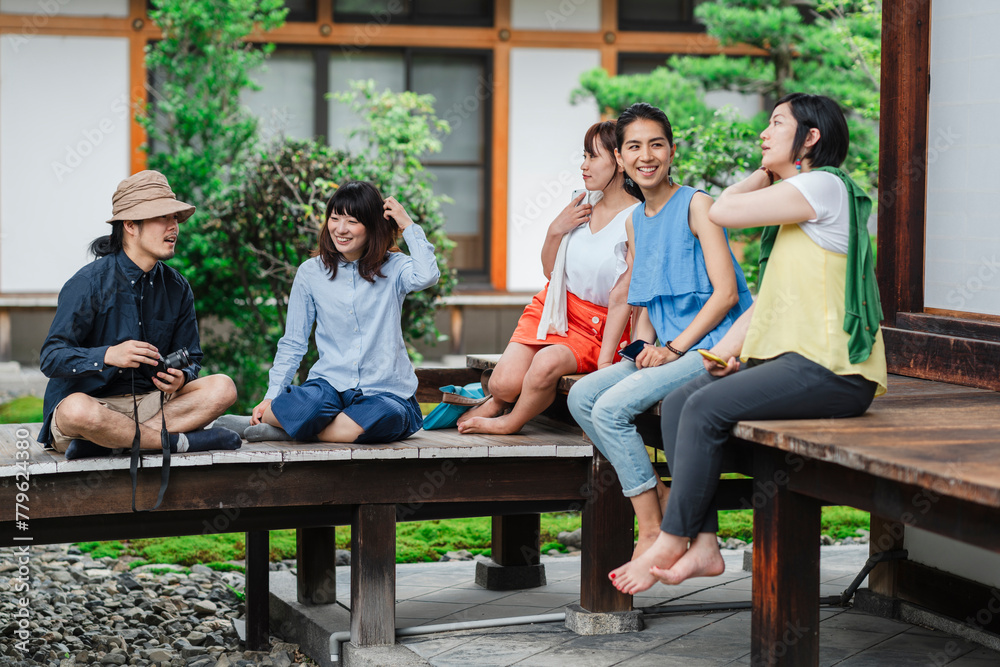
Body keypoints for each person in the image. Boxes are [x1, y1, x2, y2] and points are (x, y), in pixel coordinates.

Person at [610, 93, 887, 595]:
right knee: (681, 403)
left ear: (811, 137)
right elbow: (767, 303)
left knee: (703, 410)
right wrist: (722, 353)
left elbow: (722, 210)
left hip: (835, 370)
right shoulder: (797, 207)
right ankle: (705, 545)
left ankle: (670, 539)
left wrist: (763, 174)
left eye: (777, 123)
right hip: (796, 364)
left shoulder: (822, 185)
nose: (764, 133)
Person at [567, 103, 753, 560]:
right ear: (621, 157)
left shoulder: (698, 204)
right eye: (634, 146)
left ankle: (651, 529)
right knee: (581, 396)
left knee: (610, 410)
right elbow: (646, 299)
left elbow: (726, 294)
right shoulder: (635, 220)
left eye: (656, 144)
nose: (646, 156)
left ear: (671, 151)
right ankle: (662, 497)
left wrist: (671, 349)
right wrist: (642, 350)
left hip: (714, 346)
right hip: (669, 347)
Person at [217, 181, 440, 444]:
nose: (340, 229)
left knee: (386, 415)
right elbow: (293, 343)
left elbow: (427, 275)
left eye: (352, 221)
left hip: (385, 392)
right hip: (330, 386)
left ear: (373, 226)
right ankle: (288, 420)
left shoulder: (395, 267)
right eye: (335, 218)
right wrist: (272, 395)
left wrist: (407, 225)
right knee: (303, 407)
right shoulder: (311, 272)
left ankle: (287, 429)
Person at [39, 170, 240, 459]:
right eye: (163, 217)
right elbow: (51, 357)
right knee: (76, 410)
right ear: (131, 225)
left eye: (175, 217)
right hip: (94, 407)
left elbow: (192, 357)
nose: (174, 227)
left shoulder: (177, 287)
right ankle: (179, 442)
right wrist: (108, 355)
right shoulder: (88, 283)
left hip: (152, 405)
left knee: (223, 387)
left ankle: (113, 443)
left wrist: (181, 377)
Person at [457, 121, 639, 435]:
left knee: (545, 364)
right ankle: (498, 400)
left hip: (598, 327)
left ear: (620, 161)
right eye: (584, 156)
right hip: (556, 308)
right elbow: (550, 271)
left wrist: (607, 361)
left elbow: (625, 296)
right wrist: (556, 229)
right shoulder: (582, 203)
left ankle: (510, 422)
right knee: (503, 383)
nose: (584, 166)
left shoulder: (636, 218)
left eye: (593, 157)